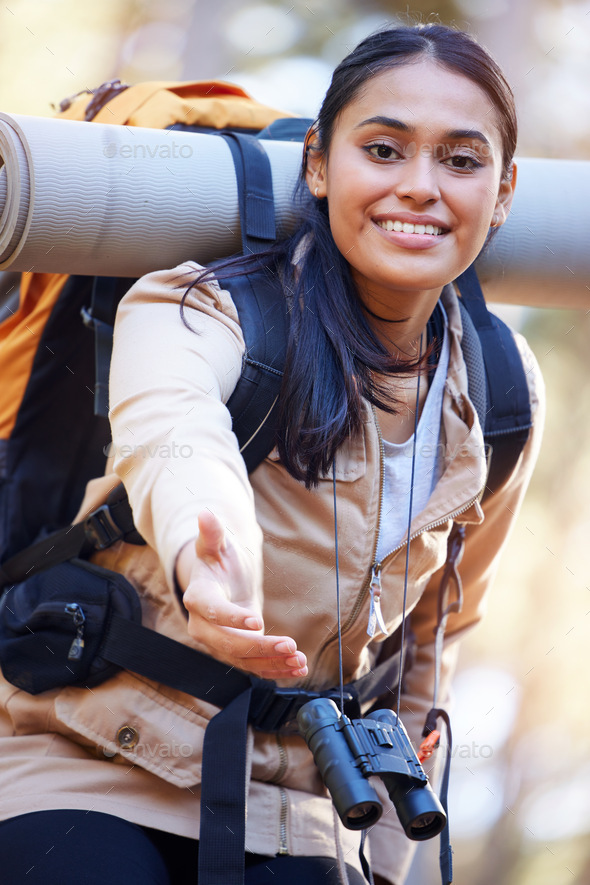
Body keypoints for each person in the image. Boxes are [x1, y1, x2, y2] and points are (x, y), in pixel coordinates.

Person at [0, 22, 544, 885]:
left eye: (461, 160)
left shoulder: (499, 392)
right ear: (319, 165)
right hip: (84, 756)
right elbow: (173, 431)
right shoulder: (199, 307)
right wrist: (207, 554)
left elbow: (431, 643)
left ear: (503, 191)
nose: (420, 186)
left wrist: (388, 857)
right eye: (383, 149)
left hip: (298, 812)